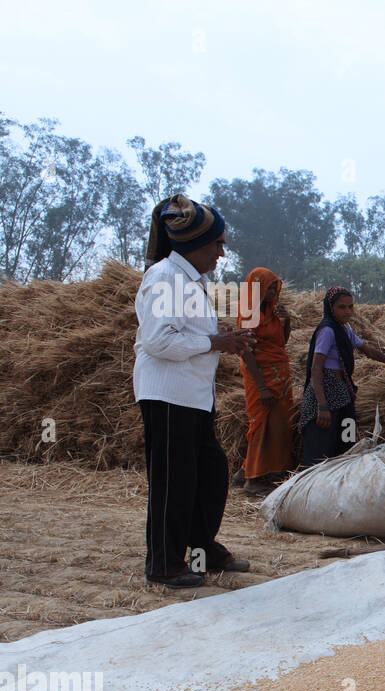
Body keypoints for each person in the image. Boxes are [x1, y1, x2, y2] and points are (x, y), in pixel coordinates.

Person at [133, 193, 256, 589]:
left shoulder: (192, 281)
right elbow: (157, 341)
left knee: (210, 472)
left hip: (192, 395)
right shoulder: (165, 278)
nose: (222, 251)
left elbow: (192, 334)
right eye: (218, 243)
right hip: (167, 395)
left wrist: (226, 339)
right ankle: (164, 564)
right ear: (195, 245)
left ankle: (202, 548)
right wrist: (214, 343)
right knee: (174, 480)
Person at [300, 286, 385, 468]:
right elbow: (316, 369)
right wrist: (322, 405)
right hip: (325, 394)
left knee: (346, 441)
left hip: (343, 394)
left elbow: (368, 350)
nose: (348, 311)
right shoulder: (328, 331)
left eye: (350, 307)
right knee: (321, 450)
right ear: (330, 307)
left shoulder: (344, 330)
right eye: (342, 307)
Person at [237, 267, 294, 496]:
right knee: (260, 425)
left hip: (279, 376)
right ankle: (253, 481)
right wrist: (261, 387)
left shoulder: (272, 311)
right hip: (260, 376)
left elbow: (280, 343)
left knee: (277, 425)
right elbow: (246, 351)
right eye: (269, 287)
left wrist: (286, 320)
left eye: (274, 287)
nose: (273, 291)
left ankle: (247, 471)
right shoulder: (249, 312)